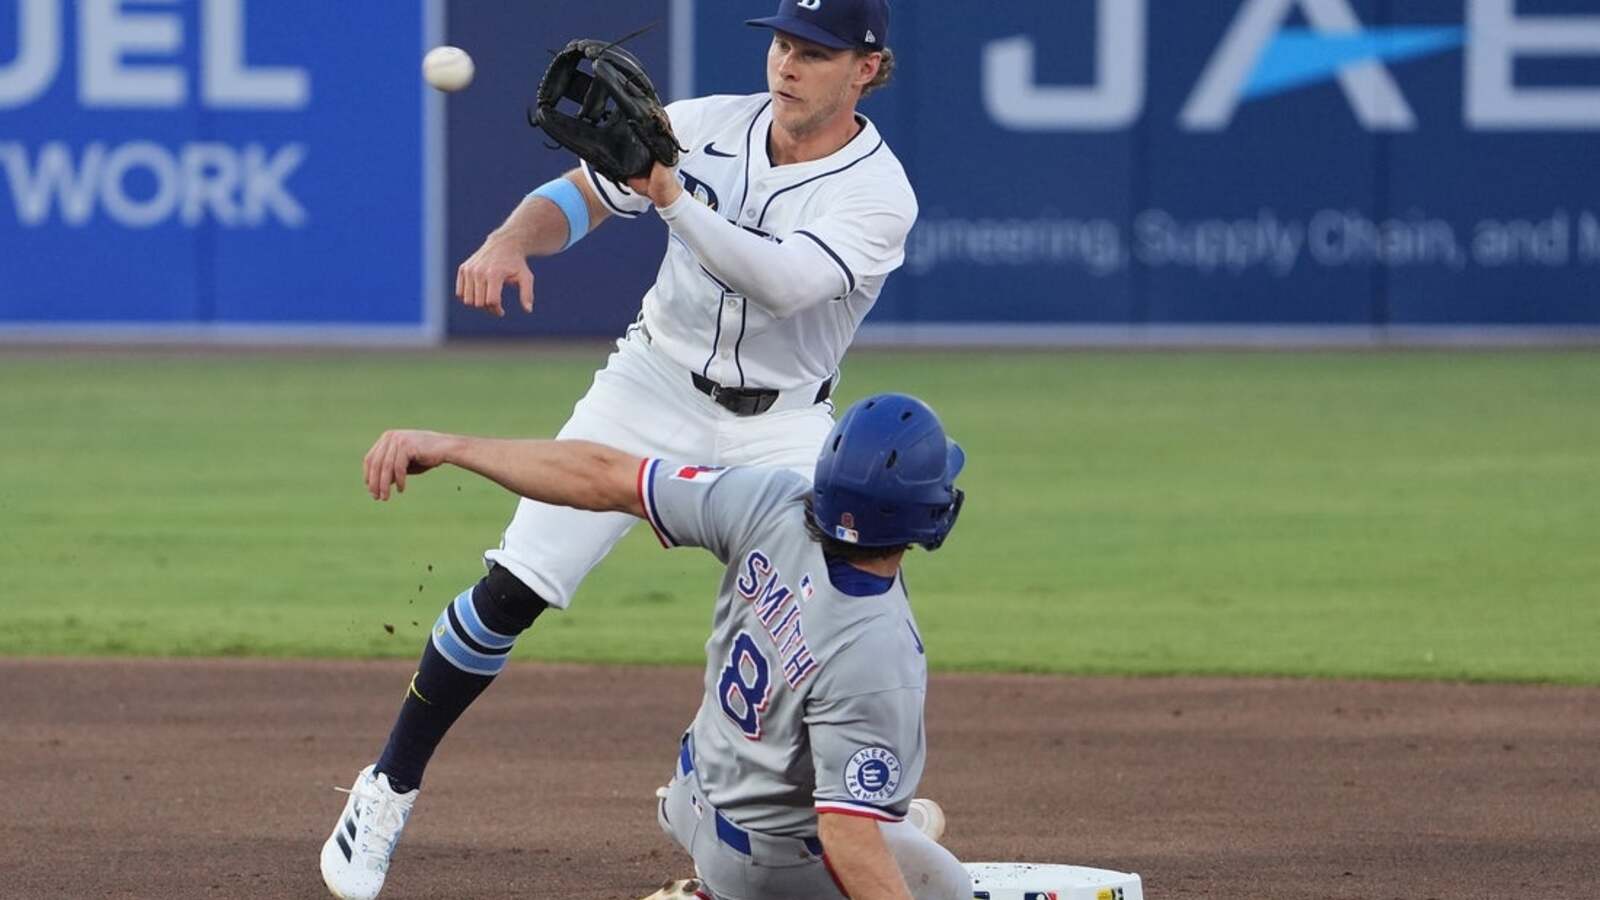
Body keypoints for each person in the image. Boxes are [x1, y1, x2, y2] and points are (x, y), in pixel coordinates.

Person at [319, 1, 917, 897]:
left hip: (784, 422)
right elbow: (582, 193)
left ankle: (850, 820)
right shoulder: (707, 125)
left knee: (826, 616)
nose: (788, 65)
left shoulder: (878, 193)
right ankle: (386, 786)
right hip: (650, 384)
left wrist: (670, 195)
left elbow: (783, 284)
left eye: (817, 53)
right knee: (517, 582)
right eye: (784, 44)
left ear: (867, 69)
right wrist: (509, 239)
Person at [355, 393, 973, 900]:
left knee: (870, 821)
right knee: (943, 889)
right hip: (765, 869)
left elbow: (600, 475)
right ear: (924, 516)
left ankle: (867, 820)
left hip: (691, 792)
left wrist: (452, 445)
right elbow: (846, 838)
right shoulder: (881, 650)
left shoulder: (769, 504)